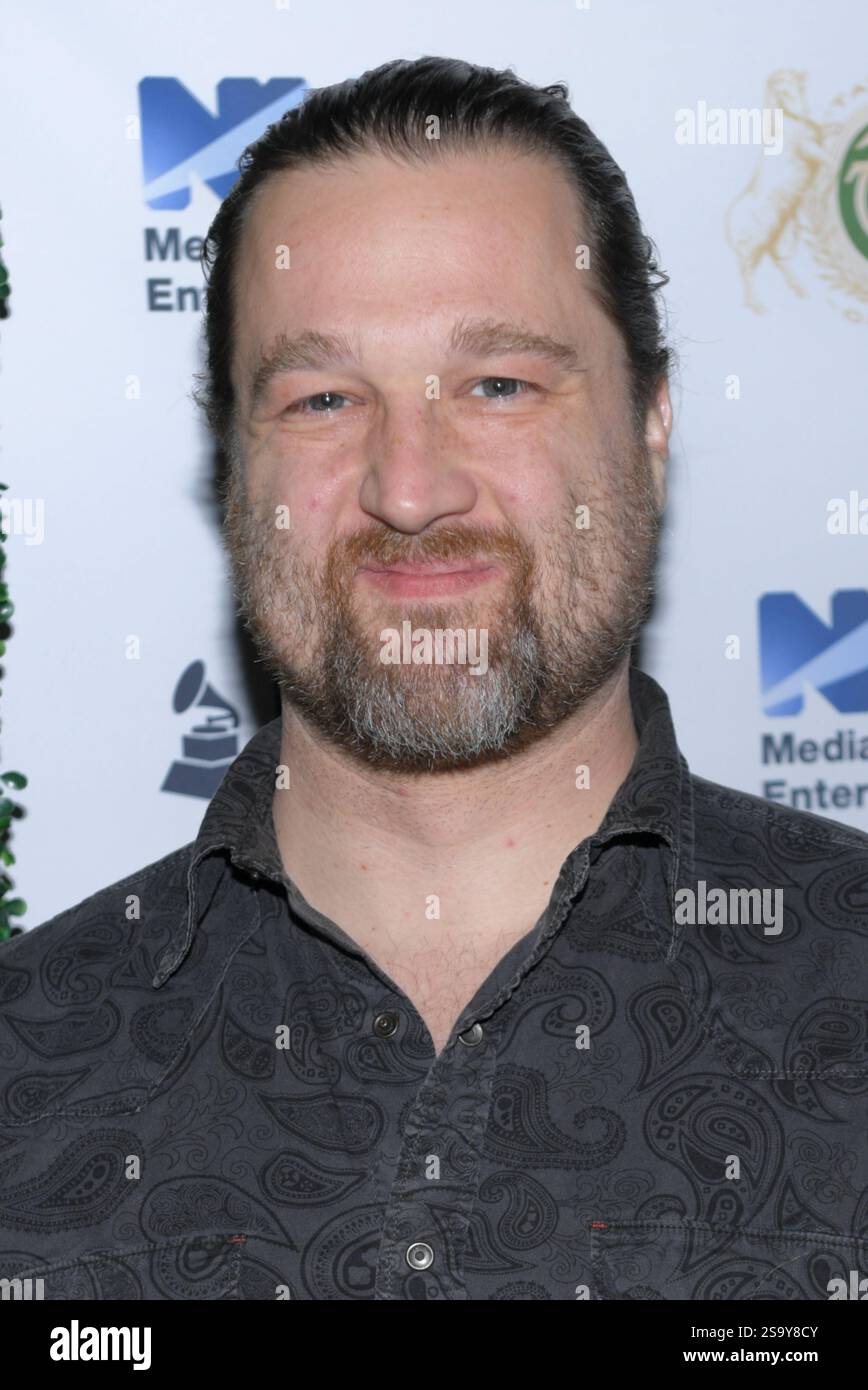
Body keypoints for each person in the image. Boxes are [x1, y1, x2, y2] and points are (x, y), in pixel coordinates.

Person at [2, 57, 866, 1302]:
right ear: (235, 466)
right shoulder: (24, 1069)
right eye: (322, 397)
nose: (408, 487)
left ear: (651, 429)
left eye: (499, 385)